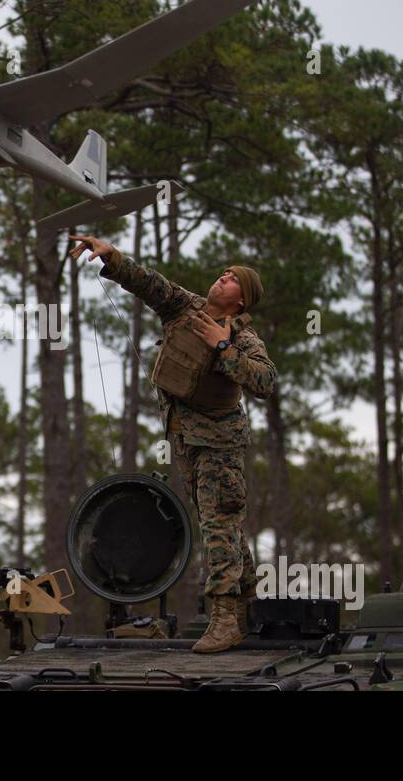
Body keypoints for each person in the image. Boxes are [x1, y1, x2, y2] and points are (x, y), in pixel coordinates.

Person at [69, 233, 276, 652]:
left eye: (232, 279)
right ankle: (247, 607)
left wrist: (222, 348)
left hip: (220, 445)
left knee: (219, 525)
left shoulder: (241, 337)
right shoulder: (186, 308)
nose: (222, 279)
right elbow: (150, 284)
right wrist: (113, 258)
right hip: (186, 439)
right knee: (224, 525)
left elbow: (265, 381)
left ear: (242, 301)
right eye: (222, 273)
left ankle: (224, 620)